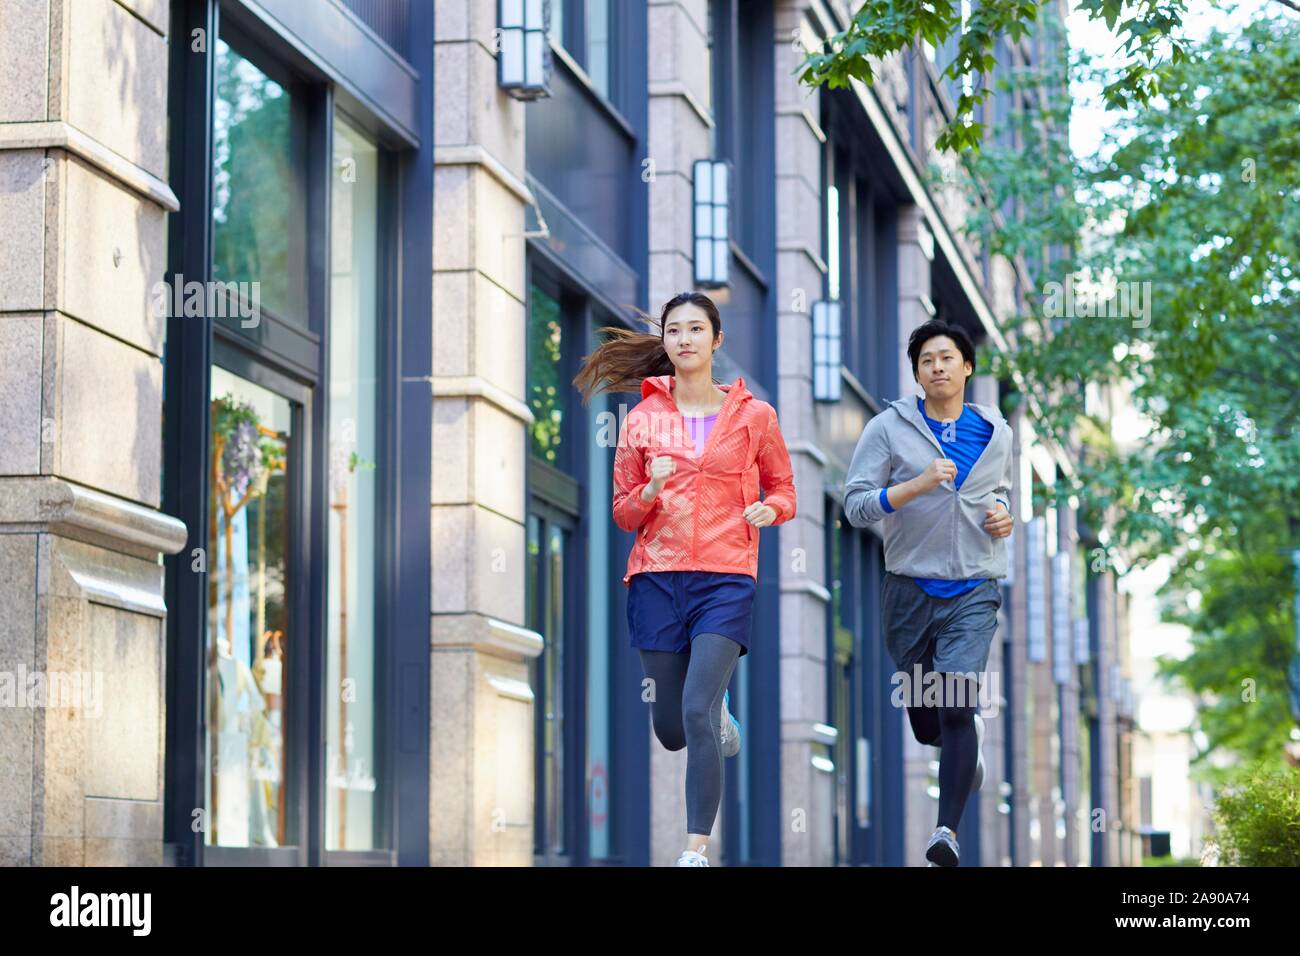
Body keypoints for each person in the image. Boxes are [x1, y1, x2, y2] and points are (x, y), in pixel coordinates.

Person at [572, 291, 796, 867]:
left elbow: (785, 489)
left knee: (696, 707)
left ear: (716, 341)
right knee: (673, 727)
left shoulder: (755, 417)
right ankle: (715, 713)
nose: (685, 339)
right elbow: (623, 512)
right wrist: (648, 491)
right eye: (675, 331)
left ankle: (696, 848)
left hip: (726, 577)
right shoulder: (643, 419)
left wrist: (771, 510)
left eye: (697, 329)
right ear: (666, 343)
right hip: (657, 578)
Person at [842, 318, 1014, 867]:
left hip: (974, 589)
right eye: (925, 361)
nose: (936, 367)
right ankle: (963, 742)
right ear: (916, 373)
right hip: (909, 588)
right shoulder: (887, 429)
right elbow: (854, 504)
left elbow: (1000, 493)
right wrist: (913, 486)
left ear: (967, 366)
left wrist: (1004, 514)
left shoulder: (996, 432)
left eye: (946, 358)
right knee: (925, 722)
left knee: (959, 705)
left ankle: (946, 833)